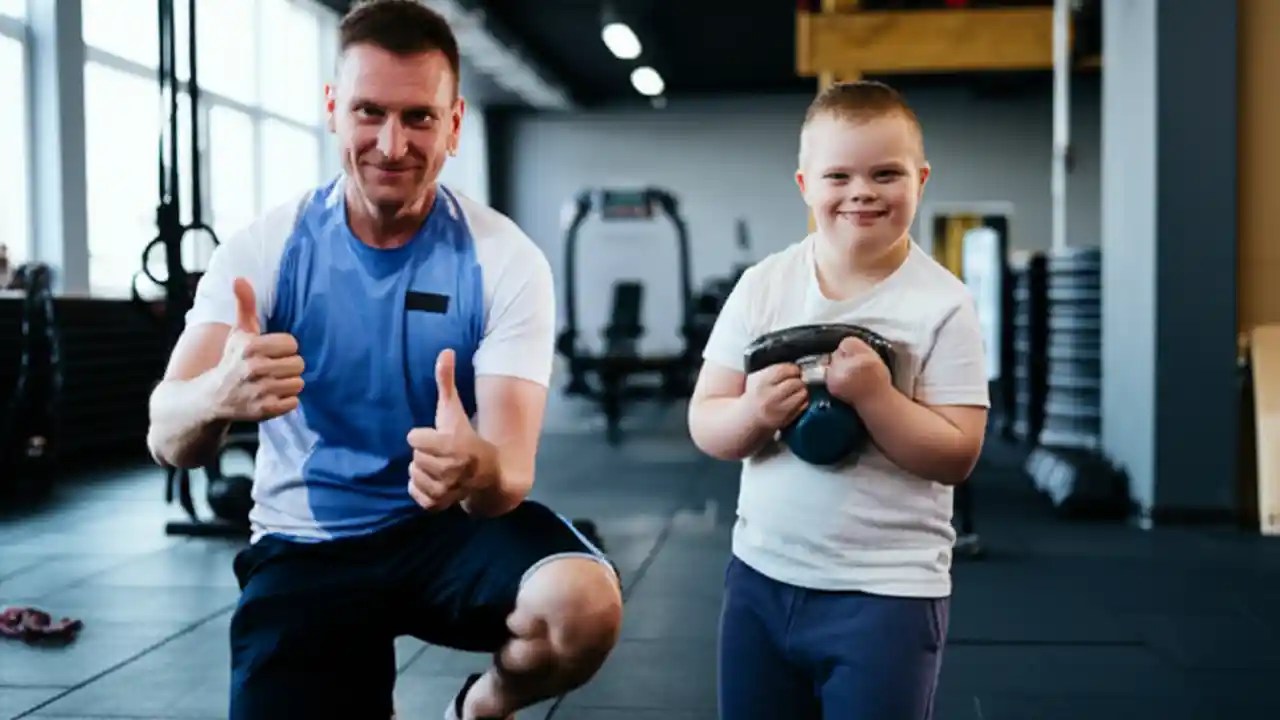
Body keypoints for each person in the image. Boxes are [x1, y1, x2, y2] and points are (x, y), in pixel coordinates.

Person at [144, 2, 622, 719]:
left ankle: (483, 707)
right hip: (309, 541)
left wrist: (476, 468)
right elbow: (164, 435)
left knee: (580, 605)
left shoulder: (503, 260)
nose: (391, 144)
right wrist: (216, 396)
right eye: (369, 112)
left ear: (454, 123)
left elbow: (509, 479)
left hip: (442, 529)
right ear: (334, 110)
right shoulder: (265, 250)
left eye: (418, 117)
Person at [687, 80, 990, 719]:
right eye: (839, 176)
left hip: (886, 593)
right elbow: (706, 419)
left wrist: (878, 398)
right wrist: (752, 413)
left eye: (886, 173)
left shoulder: (943, 304)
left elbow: (958, 454)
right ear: (805, 186)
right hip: (761, 579)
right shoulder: (763, 286)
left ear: (921, 179)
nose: (862, 192)